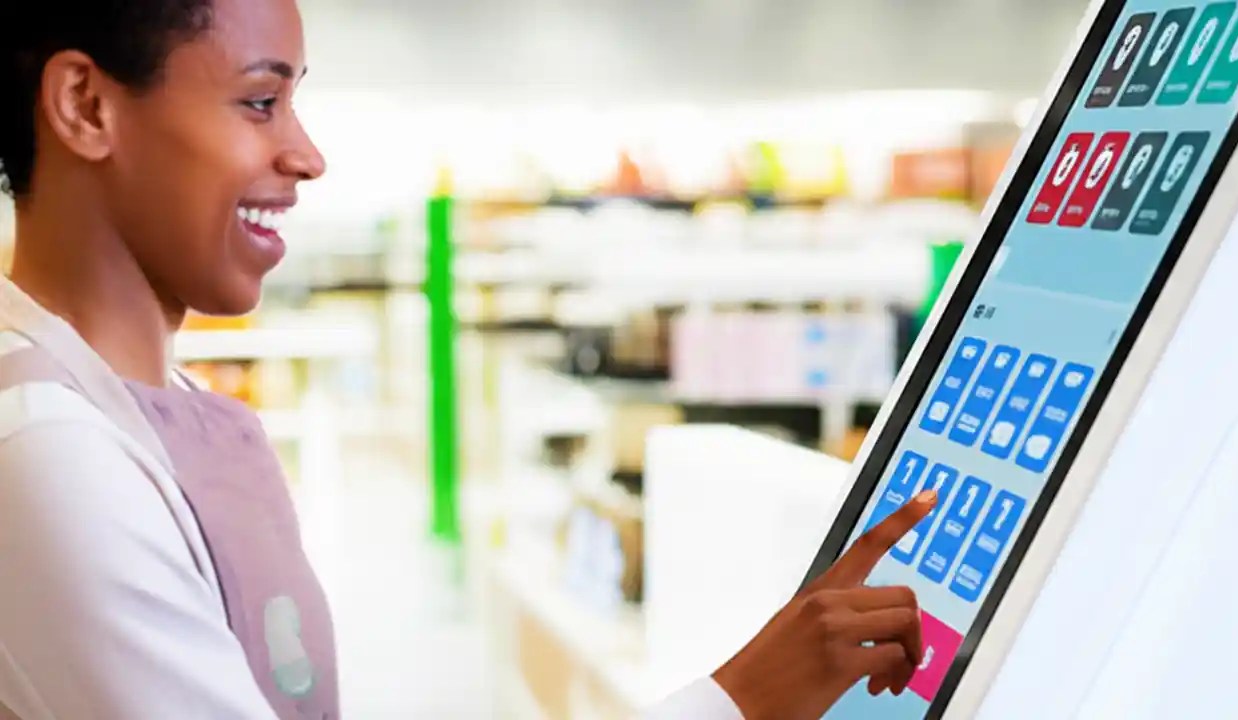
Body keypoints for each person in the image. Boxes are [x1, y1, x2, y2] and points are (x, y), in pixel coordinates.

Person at [0, 2, 935, 718]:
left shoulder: (136, 407)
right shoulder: (49, 455)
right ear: (86, 105)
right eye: (260, 102)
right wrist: (739, 700)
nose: (307, 155)